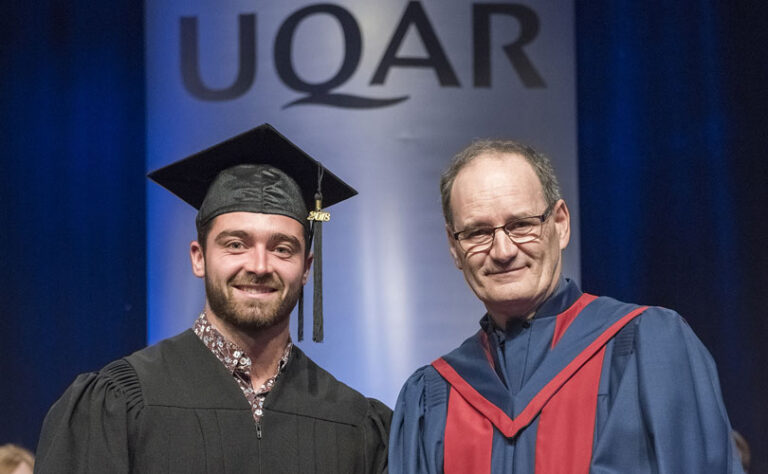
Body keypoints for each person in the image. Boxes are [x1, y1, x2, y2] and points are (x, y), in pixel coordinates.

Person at [36, 124, 391, 473]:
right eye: (236, 244)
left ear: (306, 268)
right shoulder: (119, 403)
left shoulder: (355, 422)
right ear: (199, 257)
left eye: (282, 249)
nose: (259, 265)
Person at [389, 139, 744, 473]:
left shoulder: (646, 348)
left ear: (560, 224)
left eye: (521, 224)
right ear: (454, 247)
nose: (502, 251)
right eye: (478, 232)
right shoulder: (433, 395)